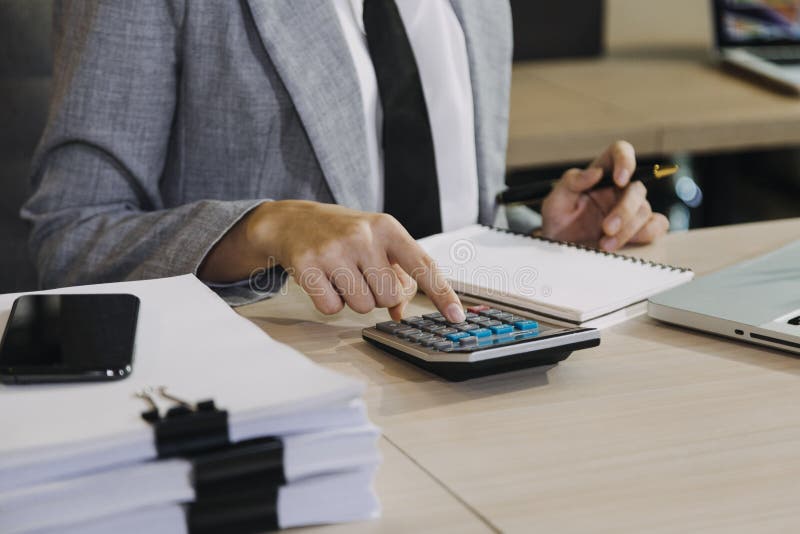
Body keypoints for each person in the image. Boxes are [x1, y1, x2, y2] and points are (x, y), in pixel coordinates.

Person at [23, 0, 668, 324]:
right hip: (279, 395)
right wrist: (261, 230)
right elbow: (70, 239)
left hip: (469, 374)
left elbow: (426, 227)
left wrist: (540, 241)